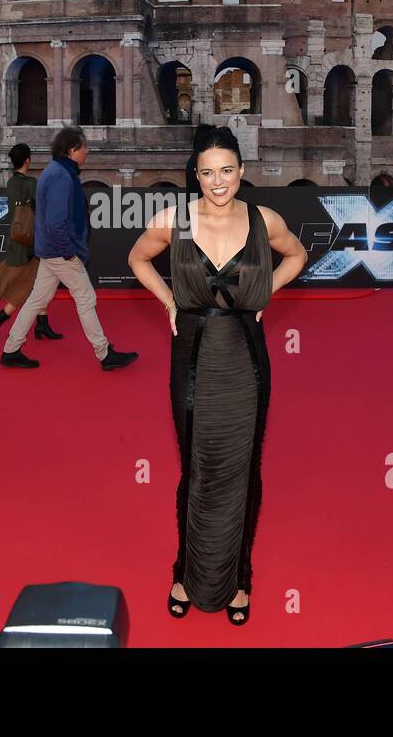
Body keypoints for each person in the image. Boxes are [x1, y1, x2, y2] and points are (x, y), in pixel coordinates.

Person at [127, 127, 307, 625]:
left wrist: (264, 290)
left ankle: (240, 578)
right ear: (196, 176)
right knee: (197, 466)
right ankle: (185, 572)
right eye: (207, 172)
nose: (217, 181)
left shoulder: (263, 219)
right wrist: (168, 301)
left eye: (226, 170)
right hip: (192, 355)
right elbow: (137, 259)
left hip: (245, 360)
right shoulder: (172, 220)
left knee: (242, 467)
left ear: (242, 171)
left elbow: (298, 255)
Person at [0, 128, 138, 371]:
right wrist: (68, 251)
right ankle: (104, 353)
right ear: (73, 151)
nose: (88, 151)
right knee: (86, 298)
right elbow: (55, 222)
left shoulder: (56, 172)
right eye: (84, 147)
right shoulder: (61, 176)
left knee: (36, 299)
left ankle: (11, 349)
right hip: (59, 252)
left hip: (50, 250)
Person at [0, 143, 60, 340]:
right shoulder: (31, 184)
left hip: (16, 240)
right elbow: (43, 209)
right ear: (28, 160)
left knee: (38, 283)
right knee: (32, 285)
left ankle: (42, 324)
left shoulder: (11, 183)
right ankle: (2, 316)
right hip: (33, 242)